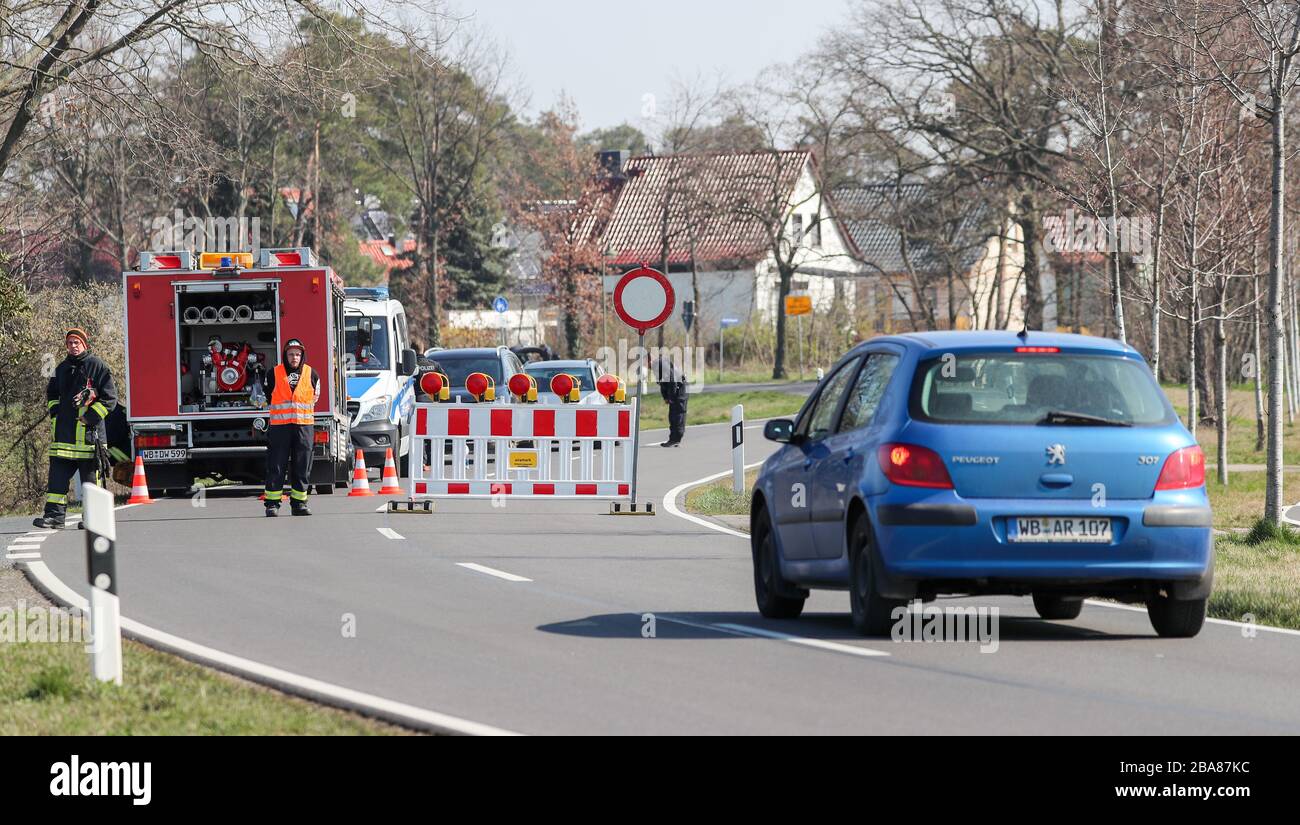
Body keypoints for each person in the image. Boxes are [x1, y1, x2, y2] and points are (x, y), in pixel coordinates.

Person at [35, 328, 117, 529]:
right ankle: (54, 517)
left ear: (84, 344)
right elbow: (52, 394)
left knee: (91, 483)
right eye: (70, 343)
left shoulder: (97, 366)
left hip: (90, 439)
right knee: (57, 480)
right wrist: (56, 414)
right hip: (63, 437)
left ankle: (94, 519)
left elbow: (110, 399)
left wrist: (89, 417)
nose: (73, 346)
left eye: (76, 342)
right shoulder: (61, 368)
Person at [262, 338, 319, 517]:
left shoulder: (312, 374)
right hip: (280, 427)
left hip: (304, 427)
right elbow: (268, 394)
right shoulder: (273, 374)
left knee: (302, 466)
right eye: (290, 354)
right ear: (285, 355)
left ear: (302, 356)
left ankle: (299, 504)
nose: (294, 357)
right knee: (276, 465)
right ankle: (272, 504)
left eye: (297, 354)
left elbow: (315, 397)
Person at [654, 354, 688, 447]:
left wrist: (671, 397)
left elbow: (672, 380)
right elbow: (662, 383)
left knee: (677, 414)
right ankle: (674, 439)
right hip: (674, 390)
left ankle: (675, 439)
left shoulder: (661, 365)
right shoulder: (657, 366)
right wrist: (665, 397)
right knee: (673, 415)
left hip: (679, 389)